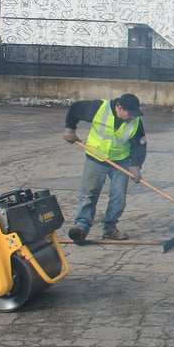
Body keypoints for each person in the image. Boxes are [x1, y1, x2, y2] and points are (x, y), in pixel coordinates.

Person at [63, 93, 147, 244]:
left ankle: (109, 229)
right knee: (89, 194)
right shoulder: (99, 108)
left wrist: (135, 166)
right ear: (119, 108)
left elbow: (139, 144)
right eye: (130, 114)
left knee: (118, 197)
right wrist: (70, 129)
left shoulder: (136, 122)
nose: (132, 117)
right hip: (96, 159)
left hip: (121, 162)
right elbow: (75, 109)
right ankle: (81, 227)